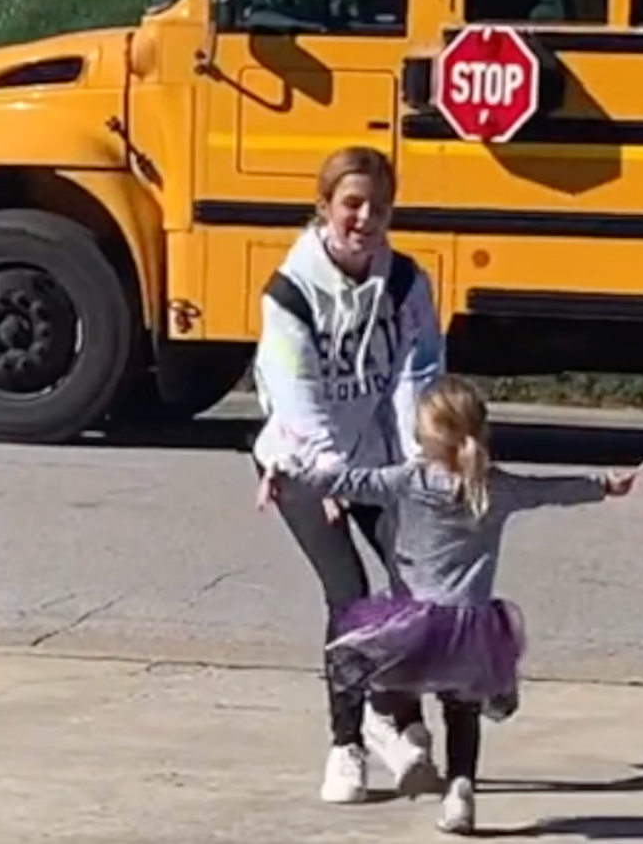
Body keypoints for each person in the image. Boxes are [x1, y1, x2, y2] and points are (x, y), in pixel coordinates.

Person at [258, 374, 643, 834]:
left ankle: (396, 743)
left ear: (423, 437)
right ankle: (461, 789)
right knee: (461, 711)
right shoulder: (496, 487)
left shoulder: (407, 480)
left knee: (361, 668)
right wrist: (605, 483)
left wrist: (281, 472)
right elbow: (550, 490)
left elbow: (343, 480)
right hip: (473, 627)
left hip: (415, 623)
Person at [251, 146, 446, 805]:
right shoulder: (289, 293)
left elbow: (415, 381)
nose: (364, 219)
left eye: (379, 208)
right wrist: (333, 481)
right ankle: (347, 746)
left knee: (415, 584)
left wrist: (420, 465)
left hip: (379, 455)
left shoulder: (407, 283)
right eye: (351, 204)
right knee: (352, 594)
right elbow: (296, 397)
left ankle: (397, 715)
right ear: (325, 207)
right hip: (303, 461)